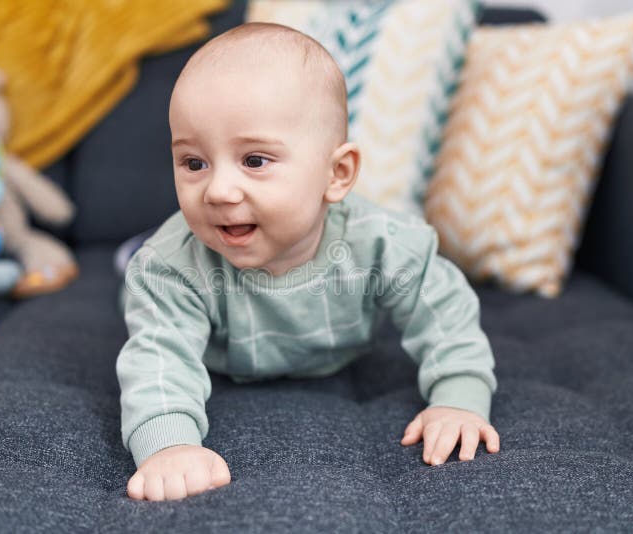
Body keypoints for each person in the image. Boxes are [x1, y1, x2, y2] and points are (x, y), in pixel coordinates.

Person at [117, 22, 500, 502]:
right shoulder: (171, 270)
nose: (217, 191)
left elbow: (446, 316)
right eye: (194, 163)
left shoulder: (384, 243)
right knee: (143, 271)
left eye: (254, 160)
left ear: (337, 174)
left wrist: (459, 399)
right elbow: (158, 360)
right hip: (210, 341)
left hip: (336, 349)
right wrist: (168, 446)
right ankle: (131, 252)